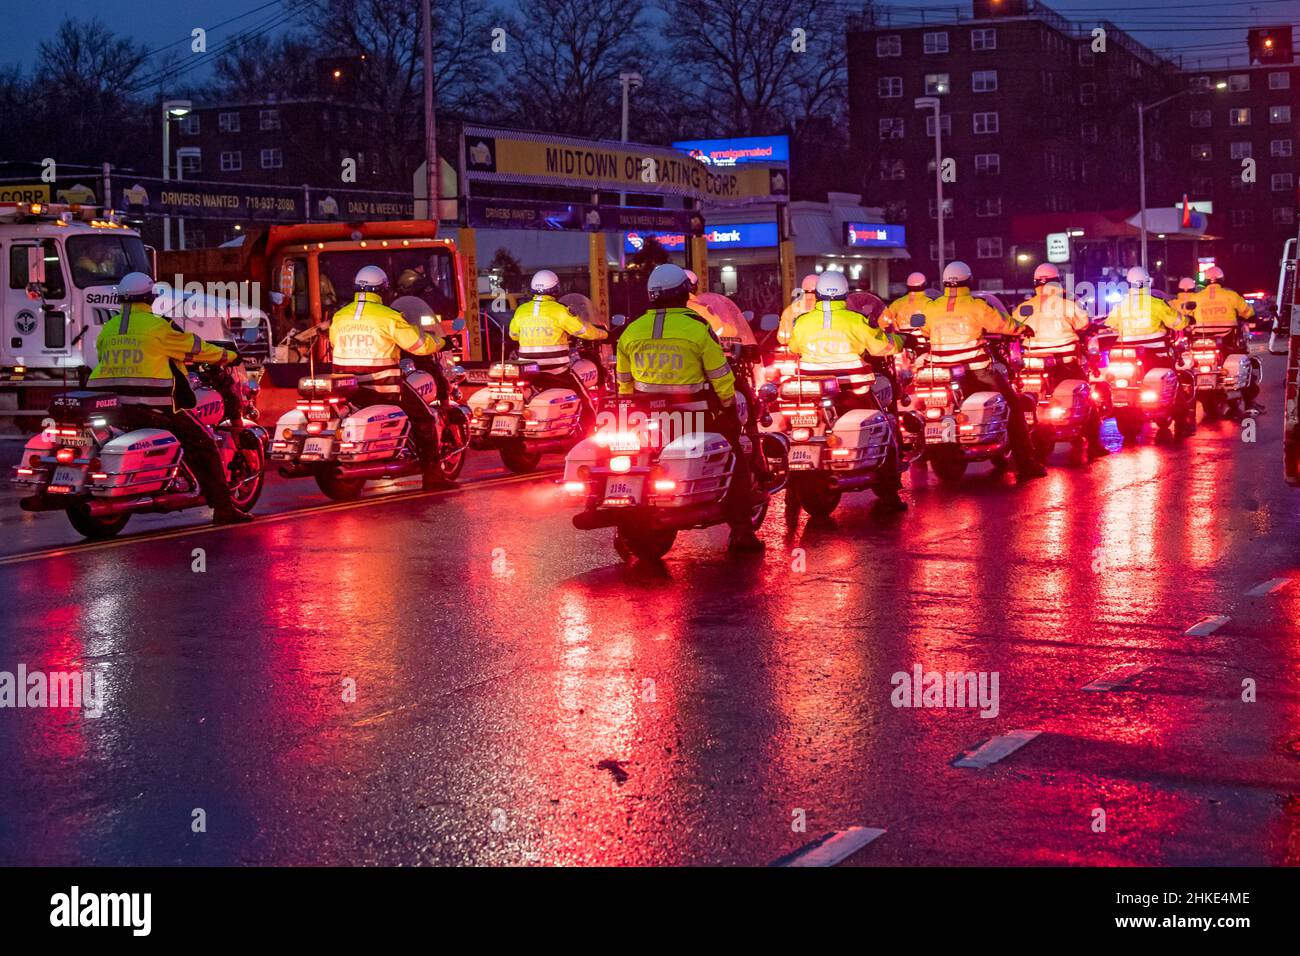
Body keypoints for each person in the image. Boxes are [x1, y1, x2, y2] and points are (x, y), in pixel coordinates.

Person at [616, 263, 763, 552]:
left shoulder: (631, 331)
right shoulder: (697, 329)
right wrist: (728, 406)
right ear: (684, 294)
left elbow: (623, 380)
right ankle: (743, 530)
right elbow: (720, 376)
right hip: (694, 415)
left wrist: (630, 409)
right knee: (735, 455)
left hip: (645, 416)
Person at [87, 272, 252, 524]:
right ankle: (224, 508)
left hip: (116, 406)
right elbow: (195, 347)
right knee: (204, 442)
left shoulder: (108, 328)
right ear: (150, 298)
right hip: (155, 407)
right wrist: (230, 357)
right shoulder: (158, 327)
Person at [787, 270, 908, 507]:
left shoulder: (802, 322)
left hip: (812, 391)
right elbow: (881, 347)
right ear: (845, 294)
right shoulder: (856, 321)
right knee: (884, 426)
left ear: (819, 294)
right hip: (853, 389)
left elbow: (794, 347)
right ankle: (890, 491)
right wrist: (902, 341)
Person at [917, 261, 1047, 479]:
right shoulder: (977, 306)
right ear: (969, 281)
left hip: (940, 371)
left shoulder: (932, 307)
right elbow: (1002, 324)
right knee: (1013, 404)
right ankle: (1027, 464)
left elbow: (925, 331)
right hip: (975, 369)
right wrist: (1022, 328)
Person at [329, 265, 455, 490]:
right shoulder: (389, 317)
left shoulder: (340, 316)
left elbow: (332, 343)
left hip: (348, 387)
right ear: (382, 290)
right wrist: (442, 342)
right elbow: (418, 345)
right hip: (383, 386)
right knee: (424, 418)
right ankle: (433, 476)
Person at [1017, 263, 1108, 458]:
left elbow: (1012, 328)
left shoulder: (1024, 307)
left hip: (1031, 364)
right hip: (1064, 362)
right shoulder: (1066, 304)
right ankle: (1094, 444)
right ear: (1057, 281)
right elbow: (1084, 324)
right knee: (1087, 396)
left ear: (1035, 283)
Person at [508, 269, 607, 412]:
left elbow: (514, 335)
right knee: (585, 400)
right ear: (555, 290)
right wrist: (605, 335)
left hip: (528, 371)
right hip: (556, 371)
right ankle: (588, 431)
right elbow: (584, 332)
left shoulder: (521, 310)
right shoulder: (560, 310)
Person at [1186, 265, 1263, 414]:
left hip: (1201, 342)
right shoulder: (1231, 295)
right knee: (1244, 366)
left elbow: (1186, 315)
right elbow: (1248, 312)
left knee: (1190, 369)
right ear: (1221, 279)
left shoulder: (1196, 297)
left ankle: (1189, 408)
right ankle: (1249, 403)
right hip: (1228, 340)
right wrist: (1252, 319)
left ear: (1206, 281)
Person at [778, 274, 820, 345]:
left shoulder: (790, 310)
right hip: (820, 353)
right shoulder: (828, 309)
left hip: (796, 352)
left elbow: (782, 339)